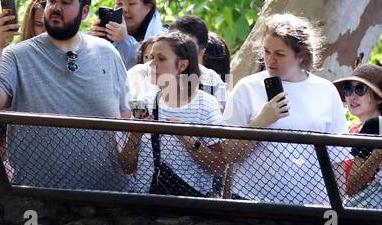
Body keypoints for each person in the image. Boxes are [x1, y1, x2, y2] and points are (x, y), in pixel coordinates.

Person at [0, 0, 130, 192]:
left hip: (107, 193)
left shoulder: (107, 52)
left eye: (65, 2)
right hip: (38, 192)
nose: (55, 7)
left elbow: (125, 115)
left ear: (84, 12)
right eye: (52, 0)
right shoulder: (17, 55)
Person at [220, 13, 348, 205]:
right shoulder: (246, 87)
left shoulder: (326, 91)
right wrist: (260, 123)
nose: (270, 60)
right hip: (252, 202)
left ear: (301, 56)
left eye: (279, 54)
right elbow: (229, 153)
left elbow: (337, 161)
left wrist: (339, 209)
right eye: (266, 52)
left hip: (313, 206)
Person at [117, 32, 224, 197]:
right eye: (151, 58)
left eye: (161, 58)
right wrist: (135, 135)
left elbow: (219, 166)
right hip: (145, 204)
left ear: (182, 65)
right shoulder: (142, 102)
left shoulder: (207, 105)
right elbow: (127, 167)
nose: (152, 64)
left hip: (191, 207)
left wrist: (187, 138)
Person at [126, 14, 227, 108]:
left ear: (201, 52)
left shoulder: (212, 81)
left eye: (188, 47)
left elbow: (225, 118)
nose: (178, 50)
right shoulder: (137, 76)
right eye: (172, 42)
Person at [90, 0, 167, 69]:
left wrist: (125, 41)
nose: (124, 9)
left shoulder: (165, 39)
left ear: (148, 7)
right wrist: (92, 41)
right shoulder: (106, 30)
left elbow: (148, 71)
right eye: (119, 3)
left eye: (131, 4)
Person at [337, 64, 382, 208]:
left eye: (360, 89)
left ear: (378, 97)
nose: (352, 96)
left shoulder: (374, 125)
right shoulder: (351, 130)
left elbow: (350, 188)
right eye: (348, 89)